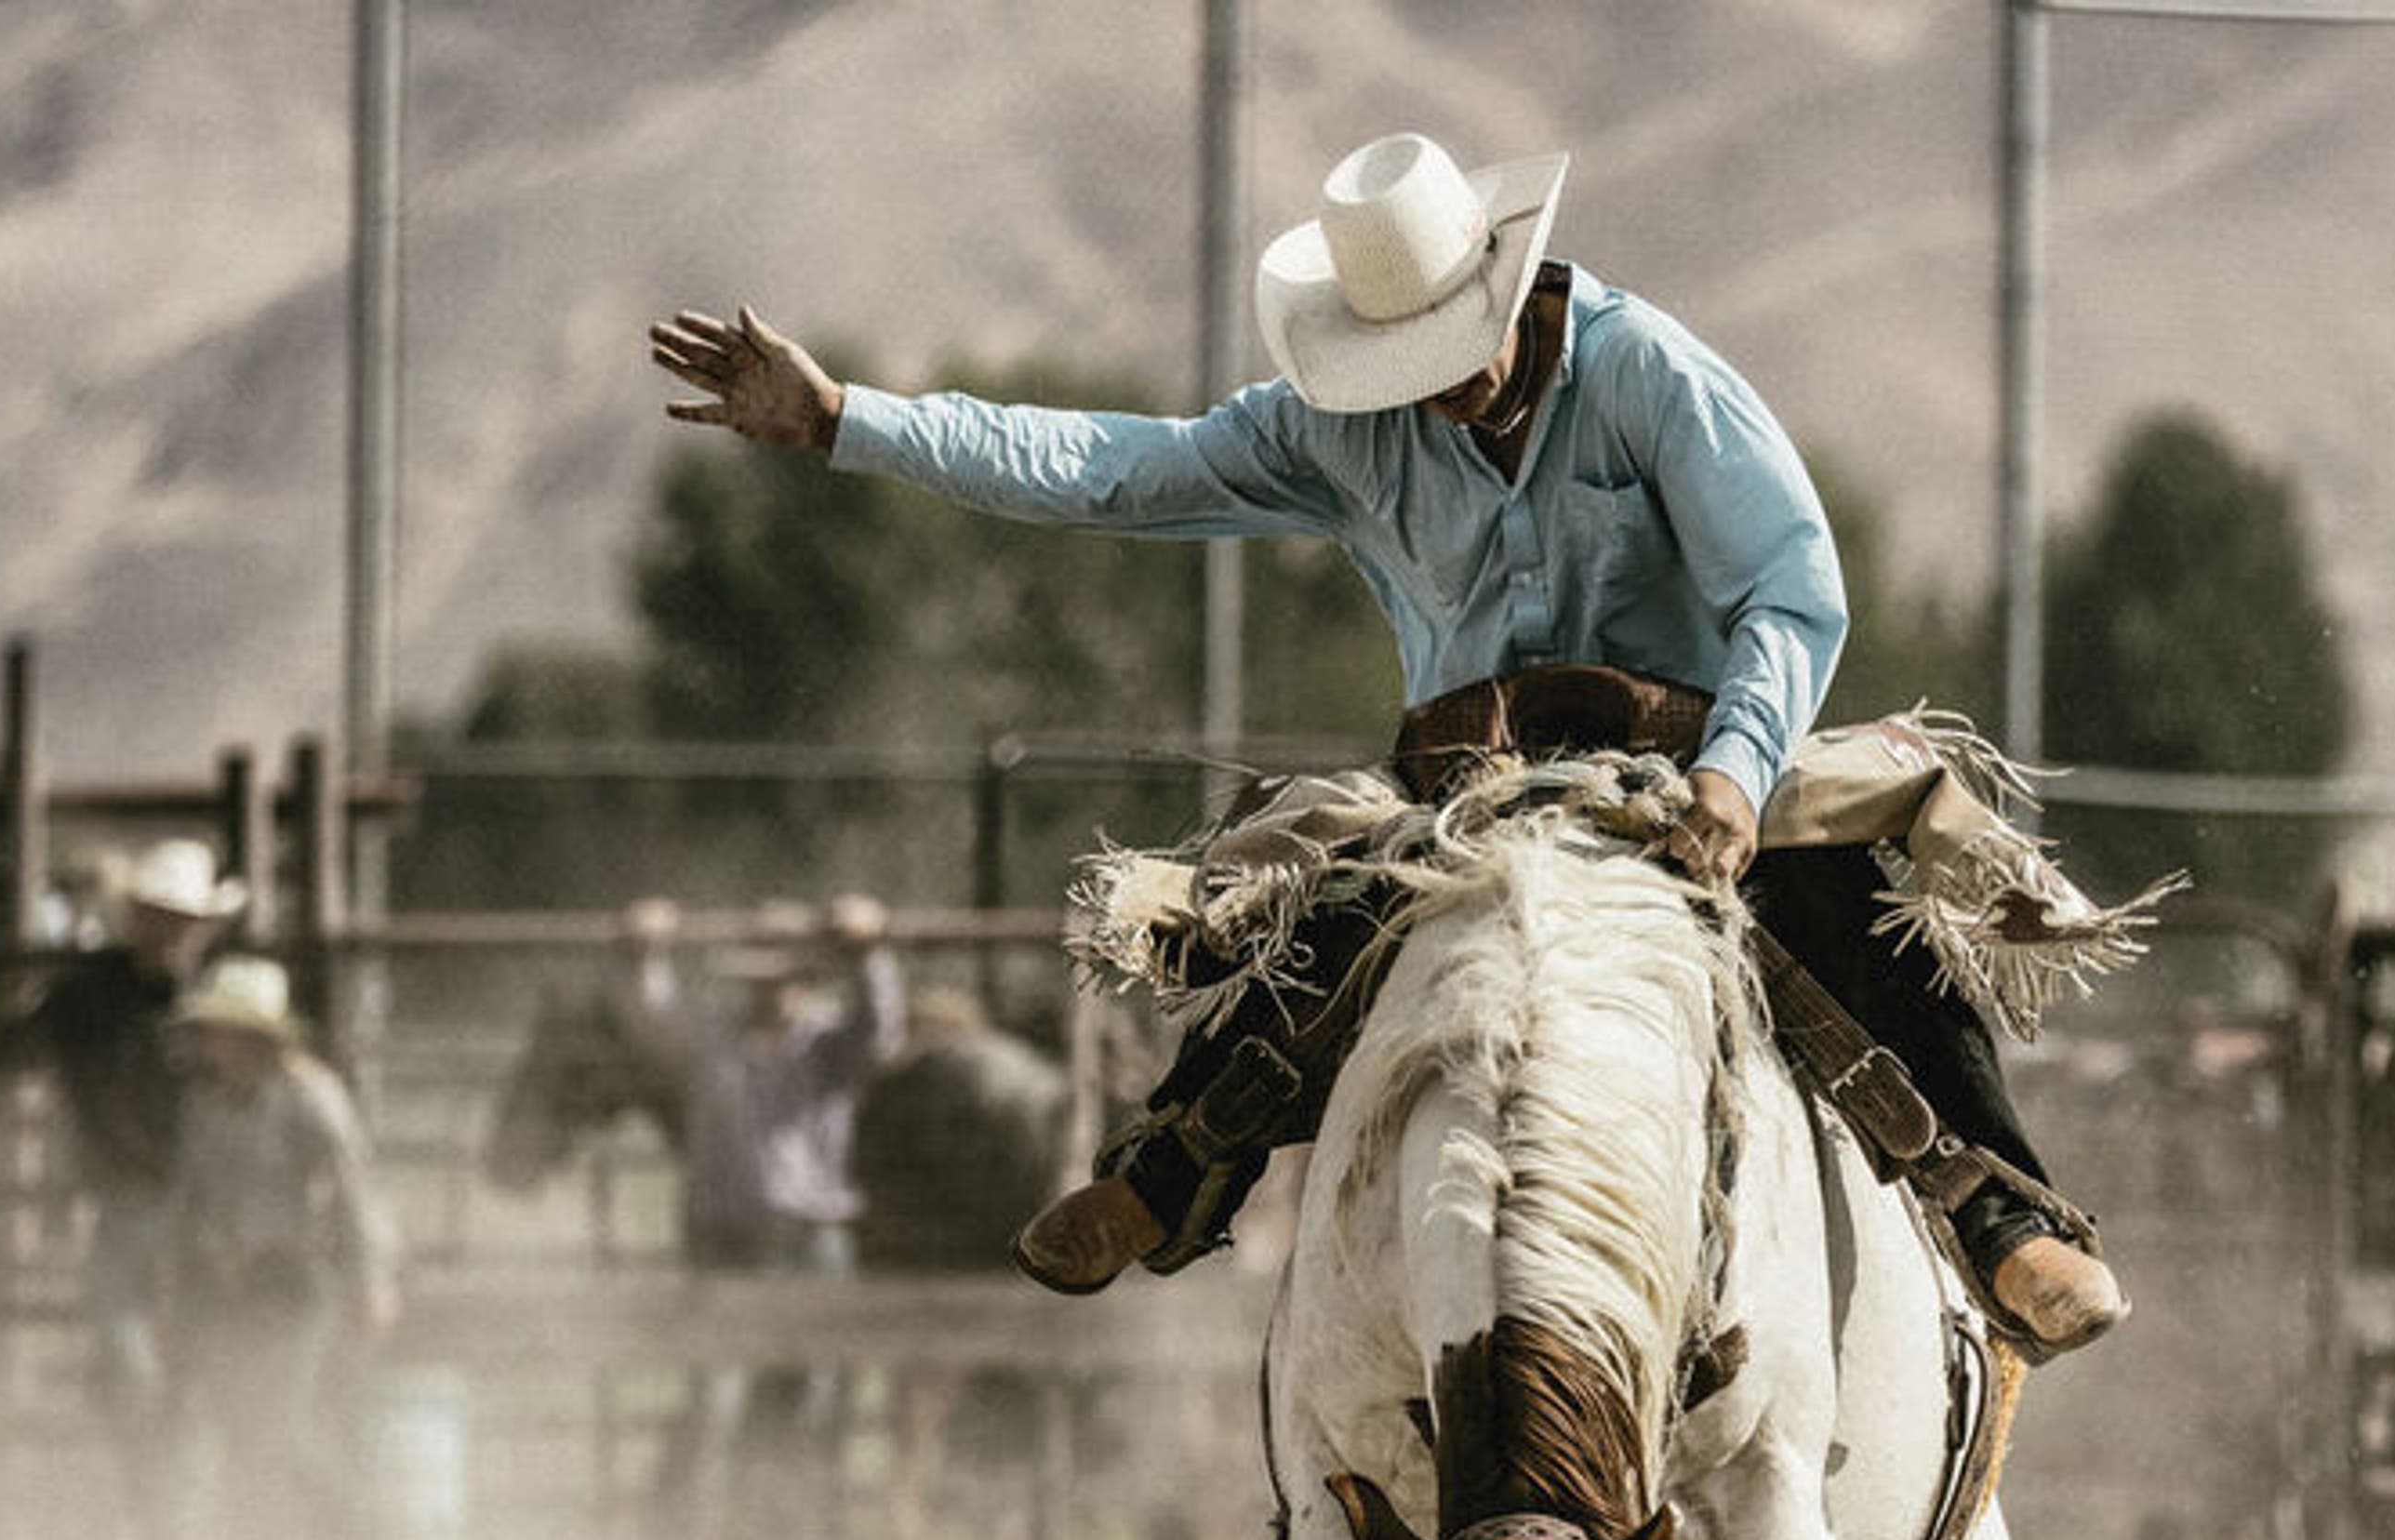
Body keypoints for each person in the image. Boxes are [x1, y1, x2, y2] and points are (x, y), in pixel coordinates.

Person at [650, 130, 2125, 1356]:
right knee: (1311, 921)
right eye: (1410, 360)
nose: (1446, 382)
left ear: (1505, 284)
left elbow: (1790, 585)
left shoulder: (1647, 373)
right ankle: (1168, 1166)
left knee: (1849, 911)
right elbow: (1122, 471)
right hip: (1473, 782)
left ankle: (2003, 1209)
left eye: (1460, 347)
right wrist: (852, 420)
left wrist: (1740, 776)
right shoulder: (1334, 429)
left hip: (1685, 768)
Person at [0, 837, 246, 1540]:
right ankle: (159, 1525)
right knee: (134, 1369)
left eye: (180, 919)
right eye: (158, 915)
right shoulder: (88, 995)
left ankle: (169, 1535)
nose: (168, 931)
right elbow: (12, 1045)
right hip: (130, 1209)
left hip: (202, 1217)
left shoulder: (212, 1006)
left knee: (184, 1376)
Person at [607, 896, 908, 1540]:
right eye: (762, 977)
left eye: (784, 976)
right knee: (717, 1396)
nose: (773, 989)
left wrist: (870, 951)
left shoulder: (830, 1041)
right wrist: (644, 953)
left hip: (809, 1235)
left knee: (814, 1401)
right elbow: (645, 1018)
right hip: (733, 1237)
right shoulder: (710, 1036)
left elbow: (881, 1023)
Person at [163, 953, 402, 1540]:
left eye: (222, 1027)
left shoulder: (308, 1095)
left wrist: (372, 1281)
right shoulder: (206, 1102)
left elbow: (356, 1193)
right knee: (244, 1427)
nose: (210, 1040)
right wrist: (177, 1284)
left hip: (294, 1283)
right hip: (227, 1283)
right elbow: (188, 1199)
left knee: (284, 1426)